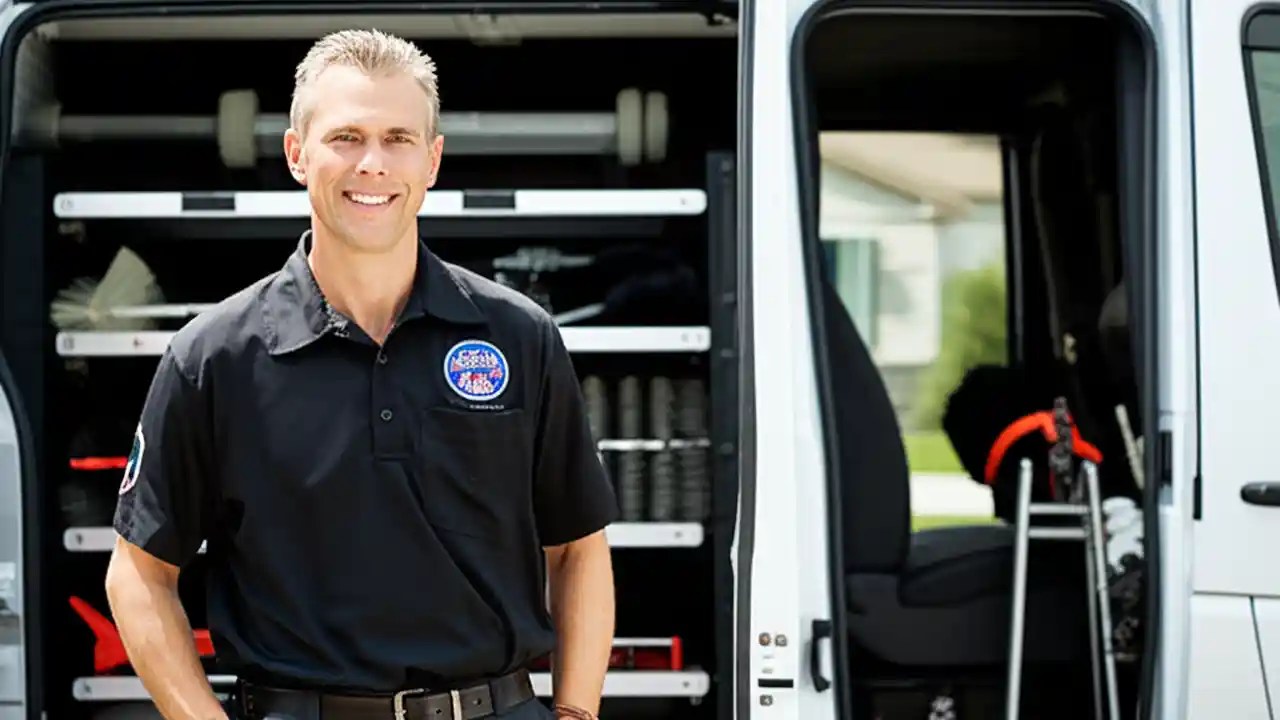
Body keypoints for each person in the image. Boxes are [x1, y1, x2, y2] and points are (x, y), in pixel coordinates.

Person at [103, 29, 619, 720]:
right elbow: (139, 572)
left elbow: (580, 550)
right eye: (346, 136)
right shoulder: (214, 356)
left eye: (399, 138)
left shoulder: (519, 337)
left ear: (432, 161)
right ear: (296, 153)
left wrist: (577, 712)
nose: (373, 164)